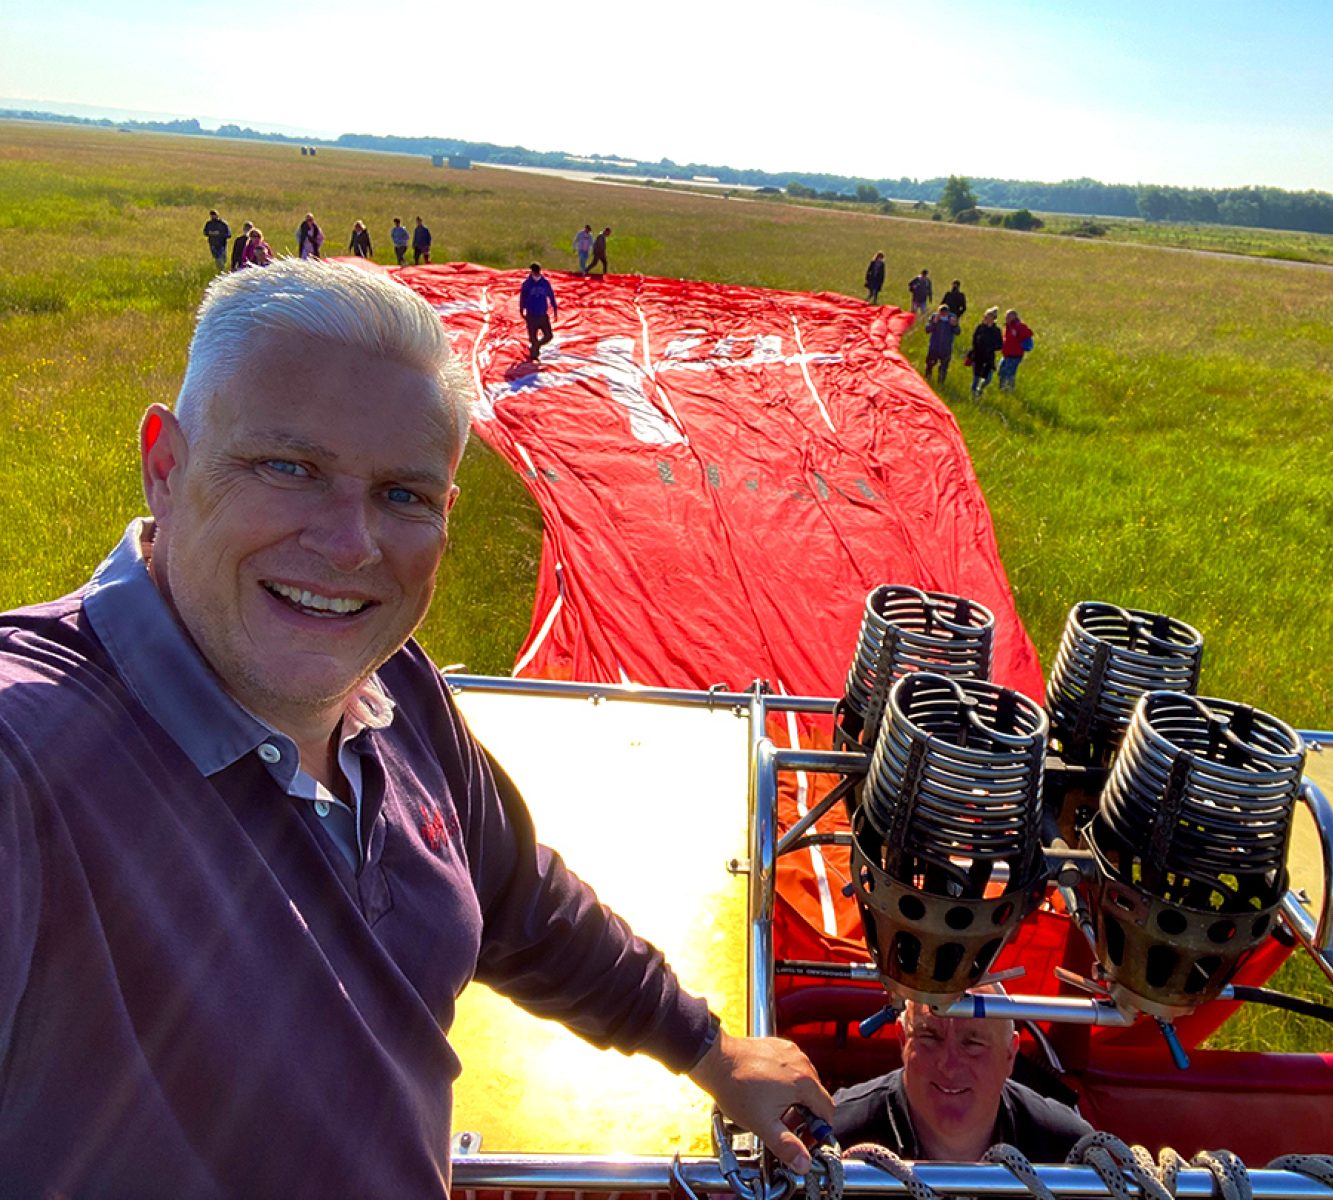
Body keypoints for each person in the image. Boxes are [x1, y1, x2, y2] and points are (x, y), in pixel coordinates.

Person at [0, 260, 831, 1195]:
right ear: (166, 465)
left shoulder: (393, 683)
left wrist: (707, 1048)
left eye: (402, 494)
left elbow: (519, 898)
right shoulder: (30, 754)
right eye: (289, 466)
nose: (351, 544)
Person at [831, 996, 1092, 1161]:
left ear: (1010, 1054)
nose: (949, 1065)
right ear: (902, 1040)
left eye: (973, 1043)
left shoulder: (1067, 1148)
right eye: (929, 1037)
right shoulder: (832, 1136)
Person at [520, 261, 558, 362]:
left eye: (537, 272)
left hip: (542, 315)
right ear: (531, 272)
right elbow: (522, 297)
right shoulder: (527, 284)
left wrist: (555, 308)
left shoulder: (545, 283)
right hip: (531, 315)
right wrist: (521, 310)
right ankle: (534, 354)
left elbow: (551, 296)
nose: (536, 274)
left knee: (548, 336)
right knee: (533, 338)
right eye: (534, 272)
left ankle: (536, 346)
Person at [969, 306, 1003, 396]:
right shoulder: (980, 328)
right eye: (987, 317)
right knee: (976, 378)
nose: (988, 319)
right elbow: (974, 340)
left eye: (990, 317)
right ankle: (973, 394)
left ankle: (980, 389)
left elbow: (1000, 344)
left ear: (994, 319)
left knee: (988, 379)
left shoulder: (996, 330)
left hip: (989, 358)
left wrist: (990, 348)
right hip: (978, 356)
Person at [998, 310, 1034, 392]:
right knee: (1001, 371)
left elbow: (1029, 333)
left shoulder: (1019, 326)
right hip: (1006, 354)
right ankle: (1002, 389)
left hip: (1015, 355)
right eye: (1006, 316)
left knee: (1009, 373)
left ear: (1014, 317)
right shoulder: (1008, 326)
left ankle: (1009, 390)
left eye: (1008, 316)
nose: (1006, 318)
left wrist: (1017, 334)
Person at [924, 304, 960, 385]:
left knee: (943, 368)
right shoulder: (934, 316)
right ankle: (927, 381)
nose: (943, 315)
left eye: (945, 314)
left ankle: (941, 383)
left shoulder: (952, 318)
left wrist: (954, 325)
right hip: (934, 347)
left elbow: (958, 332)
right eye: (941, 313)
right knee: (930, 364)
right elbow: (927, 330)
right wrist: (934, 323)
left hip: (946, 348)